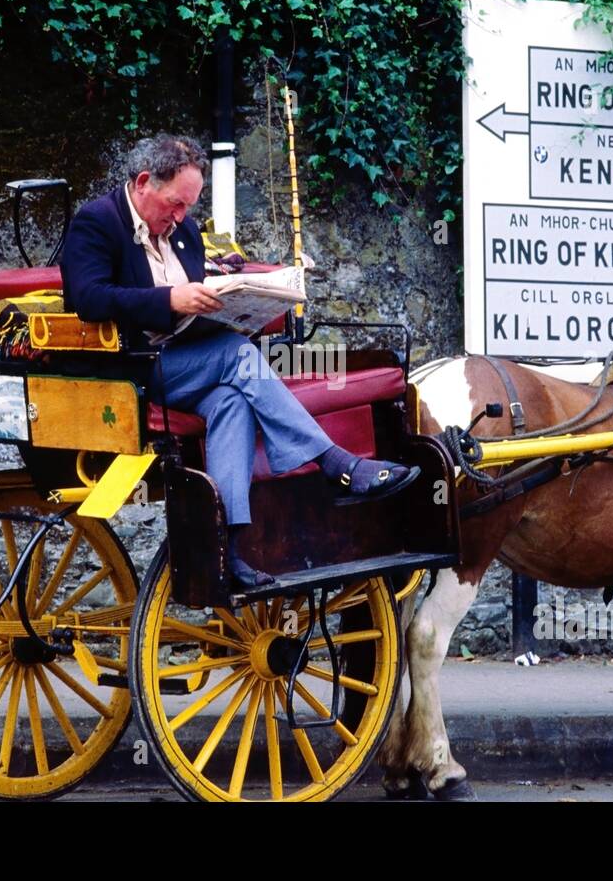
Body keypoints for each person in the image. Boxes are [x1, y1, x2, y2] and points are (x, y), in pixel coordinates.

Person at [61, 133, 419, 587]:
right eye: (174, 204)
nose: (181, 217)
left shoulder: (184, 232)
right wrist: (171, 298)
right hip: (129, 368)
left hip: (186, 361)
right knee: (235, 356)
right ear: (144, 182)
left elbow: (199, 300)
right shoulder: (97, 222)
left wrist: (239, 303)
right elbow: (87, 298)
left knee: (231, 400)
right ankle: (334, 462)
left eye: (188, 206)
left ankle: (226, 548)